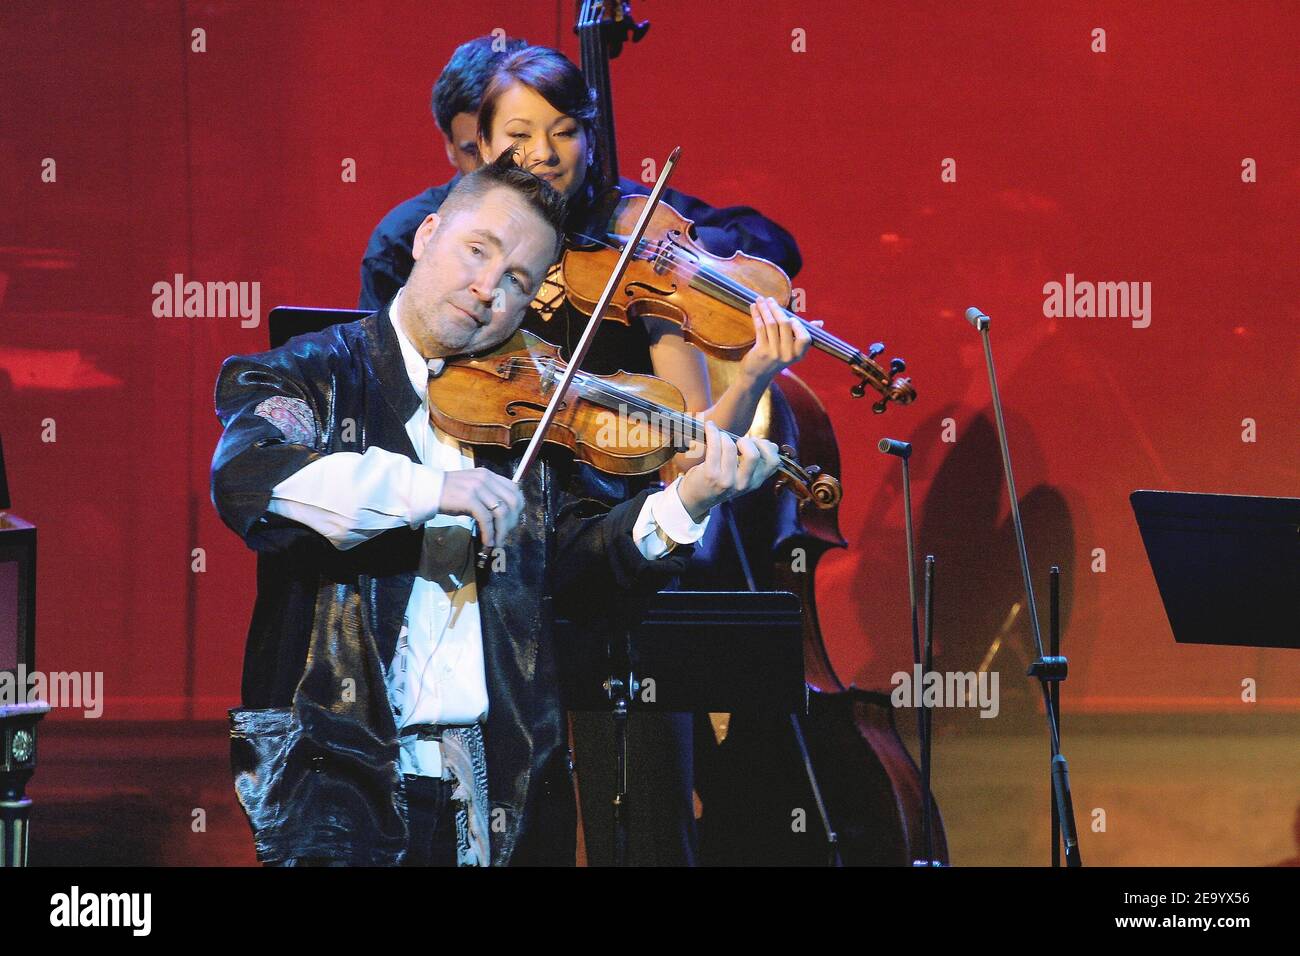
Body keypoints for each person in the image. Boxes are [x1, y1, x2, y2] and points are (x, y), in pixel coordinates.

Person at [211, 150, 783, 866]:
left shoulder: (528, 415)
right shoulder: (308, 373)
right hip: (339, 781)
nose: (486, 289)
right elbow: (252, 480)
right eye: (475, 251)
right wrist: (431, 490)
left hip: (502, 783)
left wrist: (687, 501)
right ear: (426, 237)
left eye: (516, 280)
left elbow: (583, 566)